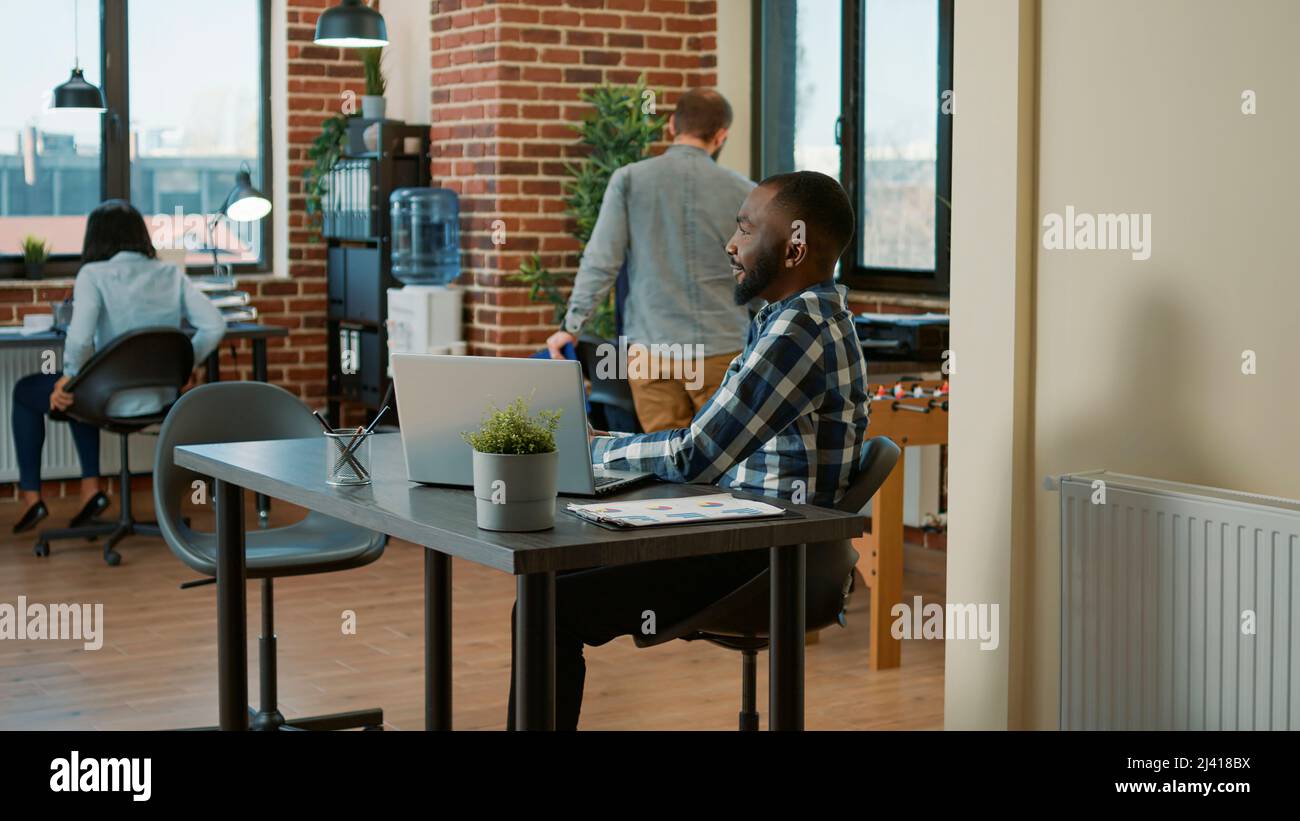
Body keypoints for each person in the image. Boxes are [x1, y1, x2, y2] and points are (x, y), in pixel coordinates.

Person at [508, 171, 870, 729]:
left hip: (763, 555)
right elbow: (705, 448)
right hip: (752, 533)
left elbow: (693, 458)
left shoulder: (800, 331)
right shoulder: (790, 318)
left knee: (546, 605)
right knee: (553, 586)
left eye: (746, 230)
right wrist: (608, 451)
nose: (731, 244)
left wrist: (594, 452)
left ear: (795, 245)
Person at [545, 88, 756, 432]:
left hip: (651, 354)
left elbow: (601, 262)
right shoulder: (746, 190)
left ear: (671, 124)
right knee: (726, 466)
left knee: (666, 466)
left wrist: (571, 327)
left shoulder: (629, 180)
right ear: (722, 135)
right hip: (722, 350)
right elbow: (758, 273)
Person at [11, 200, 226, 534]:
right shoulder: (170, 273)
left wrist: (67, 378)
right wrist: (185, 366)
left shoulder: (93, 274)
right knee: (79, 385)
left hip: (106, 400)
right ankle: (90, 491)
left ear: (95, 238)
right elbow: (214, 325)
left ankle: (31, 496)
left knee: (30, 391)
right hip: (161, 399)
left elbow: (80, 340)